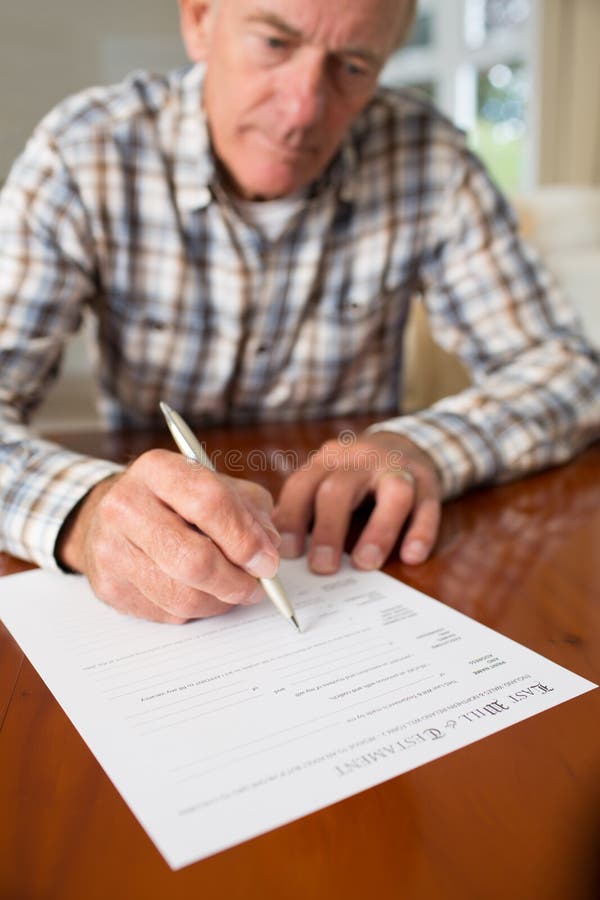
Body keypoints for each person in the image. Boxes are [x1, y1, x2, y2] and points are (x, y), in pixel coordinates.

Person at [0, 0, 598, 623]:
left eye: (353, 65)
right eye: (275, 43)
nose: (303, 110)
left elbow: (568, 373)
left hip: (352, 547)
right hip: (159, 544)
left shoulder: (429, 160)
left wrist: (424, 445)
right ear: (200, 19)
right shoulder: (82, 154)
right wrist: (85, 512)